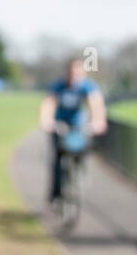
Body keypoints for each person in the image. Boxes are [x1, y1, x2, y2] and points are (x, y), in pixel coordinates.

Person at [39, 58, 107, 203]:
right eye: (73, 71)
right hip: (60, 124)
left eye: (79, 72)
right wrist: (46, 120)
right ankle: (56, 194)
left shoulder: (87, 86)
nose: (75, 75)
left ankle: (81, 170)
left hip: (78, 125)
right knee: (58, 158)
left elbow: (96, 103)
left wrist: (98, 121)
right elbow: (49, 103)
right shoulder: (59, 86)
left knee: (83, 147)